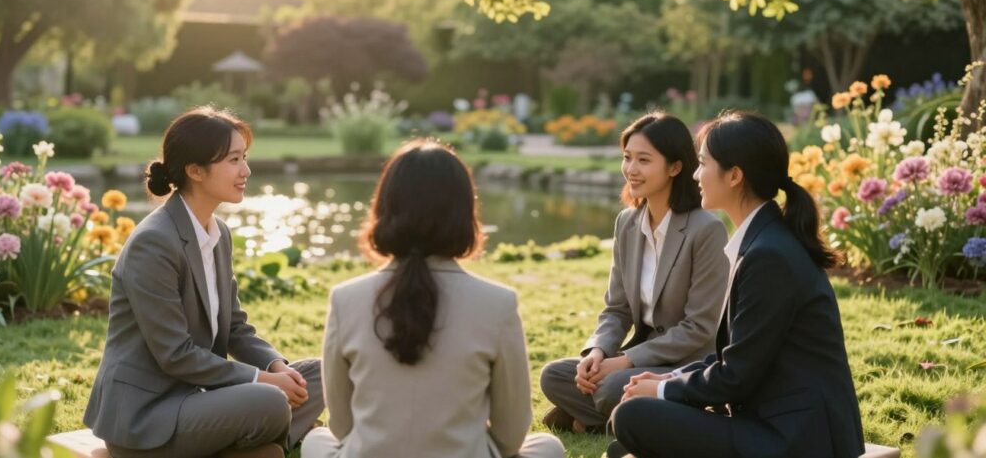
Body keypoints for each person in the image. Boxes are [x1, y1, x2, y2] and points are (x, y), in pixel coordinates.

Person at [609, 110, 864, 458]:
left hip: (795, 439)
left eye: (702, 164)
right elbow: (737, 355)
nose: (696, 175)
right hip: (779, 423)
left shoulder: (769, 256)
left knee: (632, 416)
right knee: (631, 424)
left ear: (734, 176)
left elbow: (735, 376)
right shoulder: (764, 240)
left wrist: (663, 391)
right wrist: (666, 380)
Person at [83, 107, 324, 458]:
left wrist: (275, 366)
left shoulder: (217, 233)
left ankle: (251, 445)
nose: (246, 171)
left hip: (201, 397)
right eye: (234, 160)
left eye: (245, 158)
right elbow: (175, 354)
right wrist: (262, 382)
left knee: (320, 374)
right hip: (149, 415)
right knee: (271, 401)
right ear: (195, 171)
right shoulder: (154, 242)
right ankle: (261, 443)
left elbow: (236, 327)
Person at [301, 139, 564, 458]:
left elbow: (343, 426)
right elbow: (511, 434)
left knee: (318, 440)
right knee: (547, 446)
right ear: (465, 213)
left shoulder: (345, 299)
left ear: (384, 208)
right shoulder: (498, 303)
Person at [540, 112, 728, 434]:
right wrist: (598, 352)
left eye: (644, 160)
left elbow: (700, 327)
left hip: (687, 363)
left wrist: (625, 361)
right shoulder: (627, 223)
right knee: (554, 374)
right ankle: (612, 417)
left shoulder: (706, 229)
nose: (631, 169)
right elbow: (616, 308)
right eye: (627, 158)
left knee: (614, 388)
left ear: (675, 167)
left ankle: (604, 416)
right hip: (637, 358)